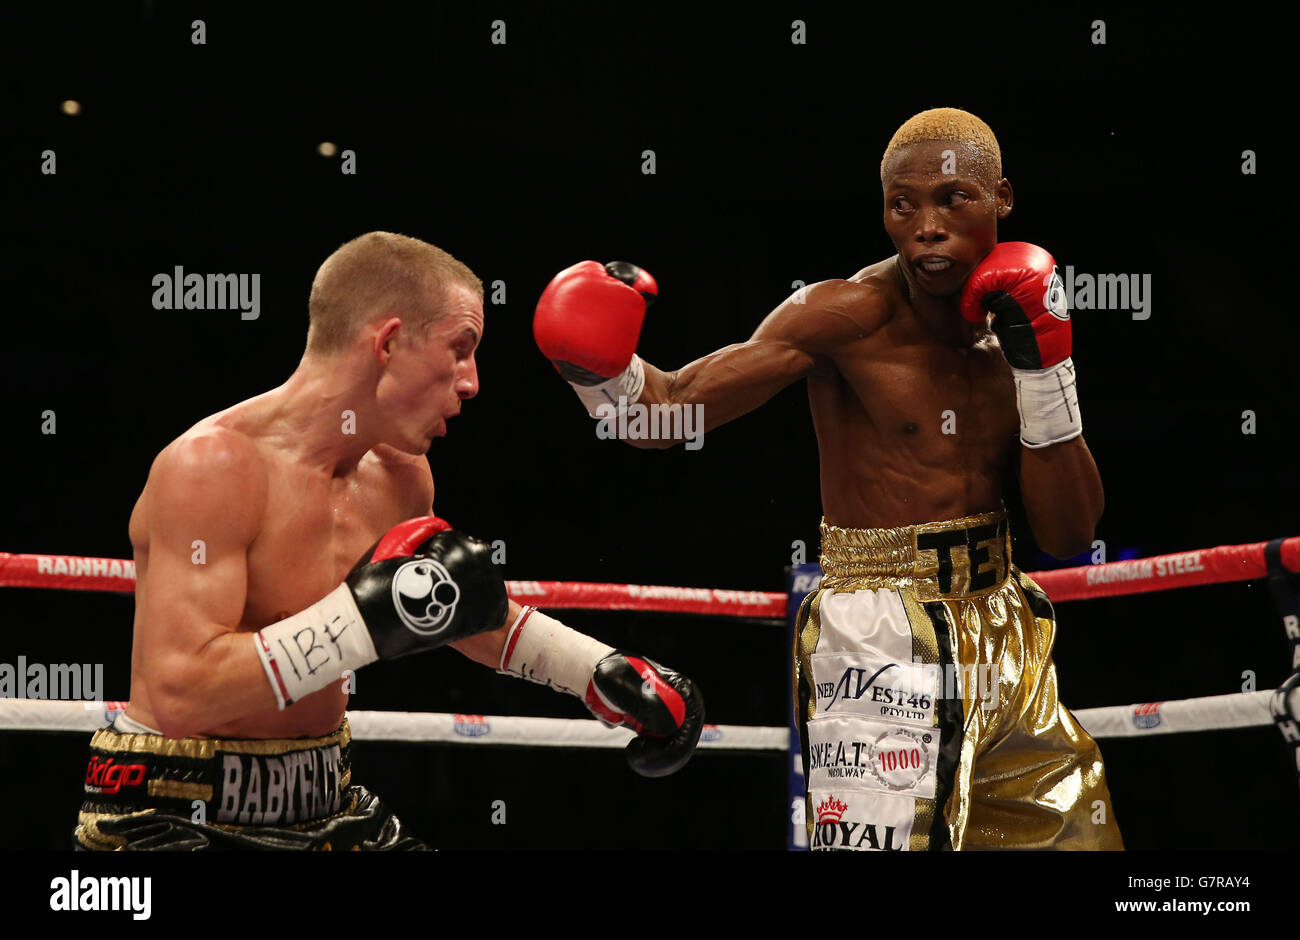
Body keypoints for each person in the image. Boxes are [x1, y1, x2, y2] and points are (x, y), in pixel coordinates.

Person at [533, 108, 1122, 850]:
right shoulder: (847, 314)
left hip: (1005, 623)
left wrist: (1046, 369)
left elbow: (1072, 535)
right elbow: (665, 412)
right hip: (881, 634)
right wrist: (598, 371)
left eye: (952, 199)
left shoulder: (1020, 321)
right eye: (902, 205)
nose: (926, 227)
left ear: (1001, 198)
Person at [75, 231, 704, 851]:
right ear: (388, 342)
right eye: (460, 349)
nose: (472, 382)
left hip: (328, 794)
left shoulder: (400, 475)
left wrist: (600, 671)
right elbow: (183, 690)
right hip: (173, 809)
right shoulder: (211, 468)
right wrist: (359, 623)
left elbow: (447, 605)